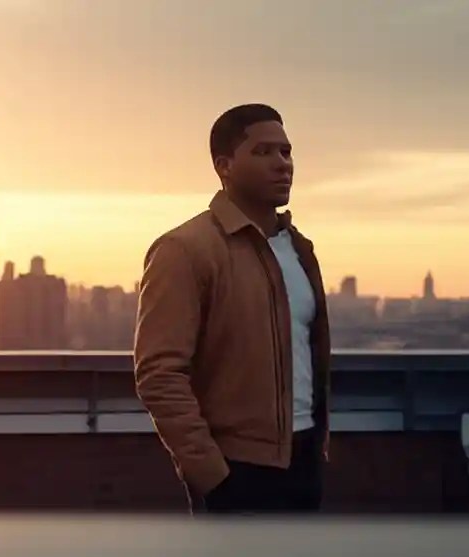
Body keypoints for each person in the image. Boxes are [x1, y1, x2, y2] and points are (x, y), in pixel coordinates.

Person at [133, 103, 331, 514]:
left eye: (286, 151)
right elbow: (159, 373)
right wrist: (211, 474)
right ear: (225, 165)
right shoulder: (185, 250)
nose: (282, 164)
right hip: (237, 470)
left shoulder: (299, 250)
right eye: (263, 152)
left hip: (304, 460)